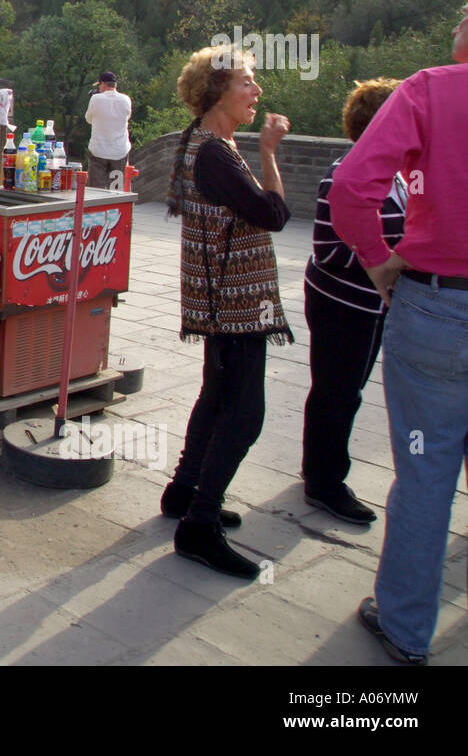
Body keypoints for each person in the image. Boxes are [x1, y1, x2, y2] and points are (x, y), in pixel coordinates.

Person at [329, 2, 468, 666]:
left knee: (425, 474)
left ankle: (407, 626)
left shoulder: (432, 90)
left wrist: (379, 258)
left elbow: (354, 183)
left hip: (439, 306)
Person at [162, 45, 292, 579]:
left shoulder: (205, 141)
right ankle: (199, 525)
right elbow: (273, 213)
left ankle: (185, 490)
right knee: (245, 413)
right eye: (247, 82)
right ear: (218, 92)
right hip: (235, 303)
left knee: (216, 397)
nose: (256, 92)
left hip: (216, 296)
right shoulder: (218, 153)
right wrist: (268, 153)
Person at [301, 79, 406, 525]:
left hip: (368, 305)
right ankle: (324, 482)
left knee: (345, 390)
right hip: (344, 305)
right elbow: (330, 249)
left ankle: (319, 468)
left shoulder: (393, 173)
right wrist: (399, 255)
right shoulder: (346, 173)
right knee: (337, 391)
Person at [85, 71, 132, 189]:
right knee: (117, 189)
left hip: (98, 150)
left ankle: (97, 207)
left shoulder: (95, 99)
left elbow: (89, 119)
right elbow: (127, 118)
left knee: (96, 189)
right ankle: (115, 206)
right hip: (120, 150)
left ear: (103, 84)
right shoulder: (126, 100)